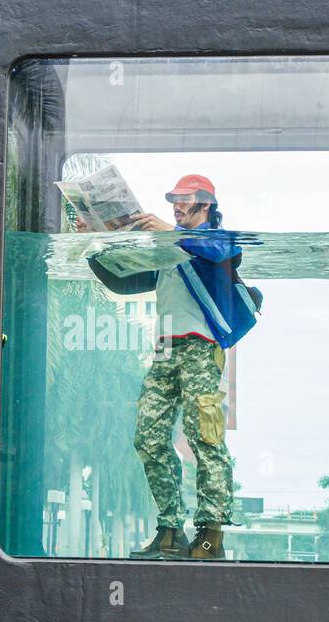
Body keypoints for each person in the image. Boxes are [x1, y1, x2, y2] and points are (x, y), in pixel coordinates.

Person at [82, 174, 260, 560]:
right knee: (148, 437)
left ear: (206, 204)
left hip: (201, 348)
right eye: (174, 200)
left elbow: (218, 251)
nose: (177, 206)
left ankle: (211, 534)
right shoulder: (169, 245)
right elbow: (124, 281)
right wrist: (95, 240)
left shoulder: (217, 241)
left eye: (186, 200)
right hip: (164, 350)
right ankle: (170, 529)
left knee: (205, 437)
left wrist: (169, 232)